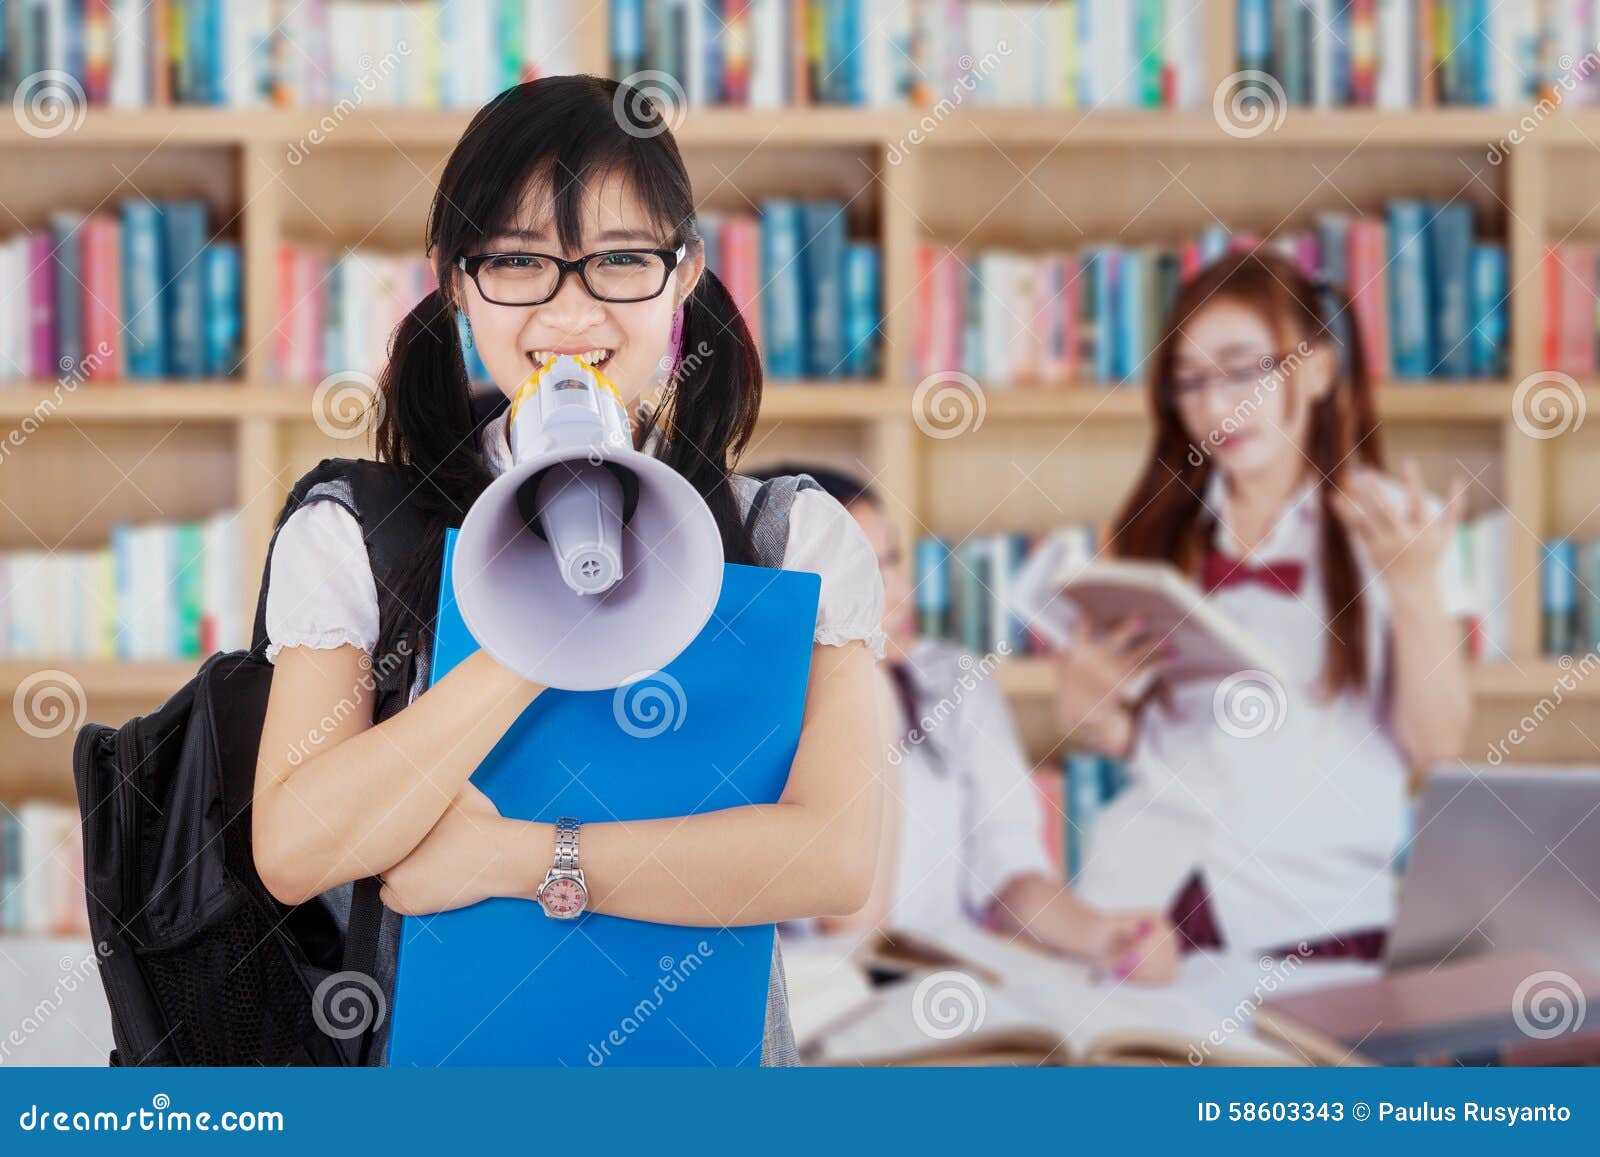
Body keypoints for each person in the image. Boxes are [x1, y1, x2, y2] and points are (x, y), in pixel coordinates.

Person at [250, 76, 887, 1065]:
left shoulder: (793, 535)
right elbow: (296, 849)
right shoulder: (353, 533)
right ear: (455, 281)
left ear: (684, 276)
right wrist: (547, 627)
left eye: (621, 260)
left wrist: (512, 859)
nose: (570, 311)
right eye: (516, 262)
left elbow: (831, 856)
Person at [1051, 250, 1472, 963]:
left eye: (1243, 370)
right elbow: (1139, 737)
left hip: (1314, 912)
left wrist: (1413, 586)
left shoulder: (1402, 525)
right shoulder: (1156, 532)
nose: (1216, 406)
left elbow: (1435, 746)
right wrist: (1091, 712)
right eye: (1190, 382)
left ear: (1317, 369)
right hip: (1142, 896)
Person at [752, 464, 1177, 983]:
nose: (900, 589)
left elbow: (1009, 869)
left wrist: (1098, 934)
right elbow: (852, 933)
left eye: (892, 561)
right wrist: (866, 685)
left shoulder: (951, 678)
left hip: (940, 984)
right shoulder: (752, 716)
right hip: (813, 996)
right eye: (862, 570)